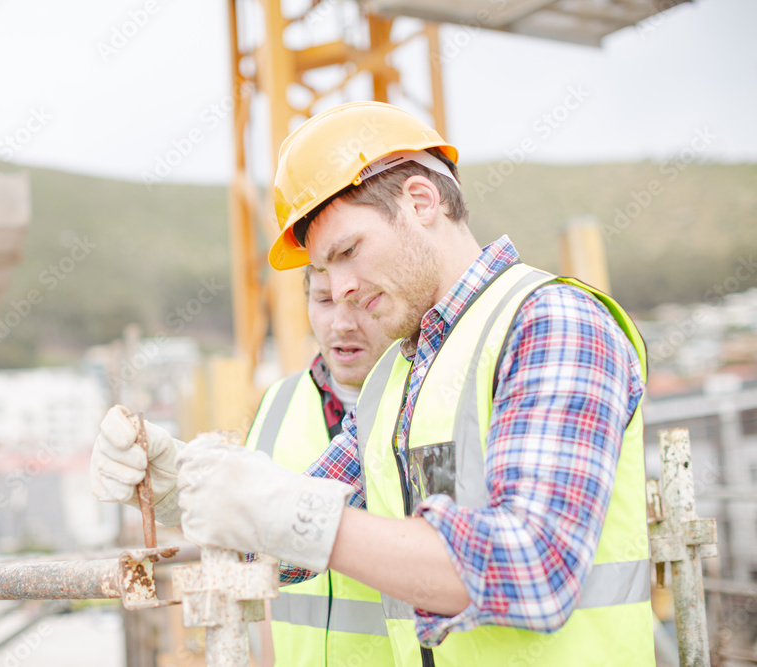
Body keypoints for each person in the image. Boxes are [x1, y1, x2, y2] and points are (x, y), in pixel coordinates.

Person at [173, 102, 653, 666]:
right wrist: (183, 482)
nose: (343, 290)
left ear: (421, 202)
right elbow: (290, 543)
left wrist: (291, 515)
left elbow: (535, 569)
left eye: (348, 252)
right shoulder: (398, 374)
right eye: (325, 273)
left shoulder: (550, 320)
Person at [244, 267, 394, 665]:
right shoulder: (277, 401)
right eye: (324, 300)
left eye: (360, 300)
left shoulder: (428, 400)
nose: (342, 324)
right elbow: (254, 564)